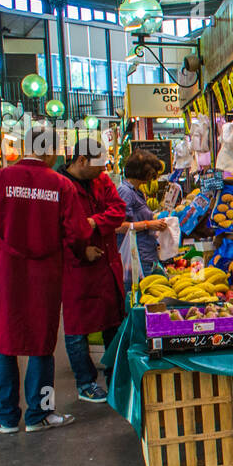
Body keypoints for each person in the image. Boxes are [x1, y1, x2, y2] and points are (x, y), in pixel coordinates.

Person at [0, 130, 94, 433]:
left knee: (3, 344)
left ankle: (6, 417)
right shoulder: (61, 185)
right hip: (44, 276)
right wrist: (81, 250)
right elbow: (77, 233)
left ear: (24, 148)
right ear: (51, 153)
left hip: (4, 274)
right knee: (41, 344)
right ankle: (39, 414)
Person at [59, 138, 127, 403]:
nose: (104, 170)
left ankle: (115, 376)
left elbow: (118, 211)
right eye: (99, 166)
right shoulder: (60, 186)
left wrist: (93, 222)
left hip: (107, 263)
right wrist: (81, 248)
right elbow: (58, 228)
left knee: (113, 323)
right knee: (77, 330)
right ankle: (85, 382)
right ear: (81, 161)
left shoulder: (102, 181)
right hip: (77, 269)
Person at [115, 154, 167, 286]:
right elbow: (118, 226)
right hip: (136, 258)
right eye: (151, 172)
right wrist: (148, 224)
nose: (153, 177)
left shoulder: (137, 192)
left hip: (146, 254)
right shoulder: (125, 191)